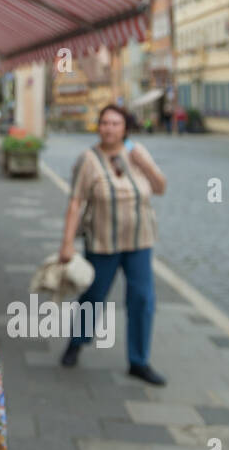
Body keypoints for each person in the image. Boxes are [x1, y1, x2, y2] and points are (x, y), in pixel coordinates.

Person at [57, 104, 169, 385]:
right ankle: (76, 343)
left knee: (143, 299)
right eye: (104, 123)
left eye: (115, 123)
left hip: (139, 240)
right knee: (93, 297)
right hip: (103, 241)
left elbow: (160, 187)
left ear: (125, 128)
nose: (108, 128)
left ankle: (139, 360)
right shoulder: (88, 159)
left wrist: (144, 164)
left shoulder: (136, 153)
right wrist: (67, 243)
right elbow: (75, 202)